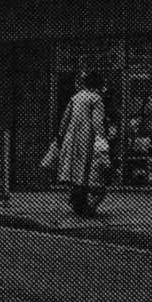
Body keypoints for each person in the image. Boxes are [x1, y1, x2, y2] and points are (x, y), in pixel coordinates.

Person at [54, 71, 110, 217]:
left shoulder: (76, 97)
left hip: (72, 138)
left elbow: (65, 119)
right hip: (87, 138)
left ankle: (77, 201)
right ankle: (86, 207)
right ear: (98, 85)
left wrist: (61, 136)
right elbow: (97, 121)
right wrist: (102, 138)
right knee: (88, 172)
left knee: (77, 171)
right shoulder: (96, 98)